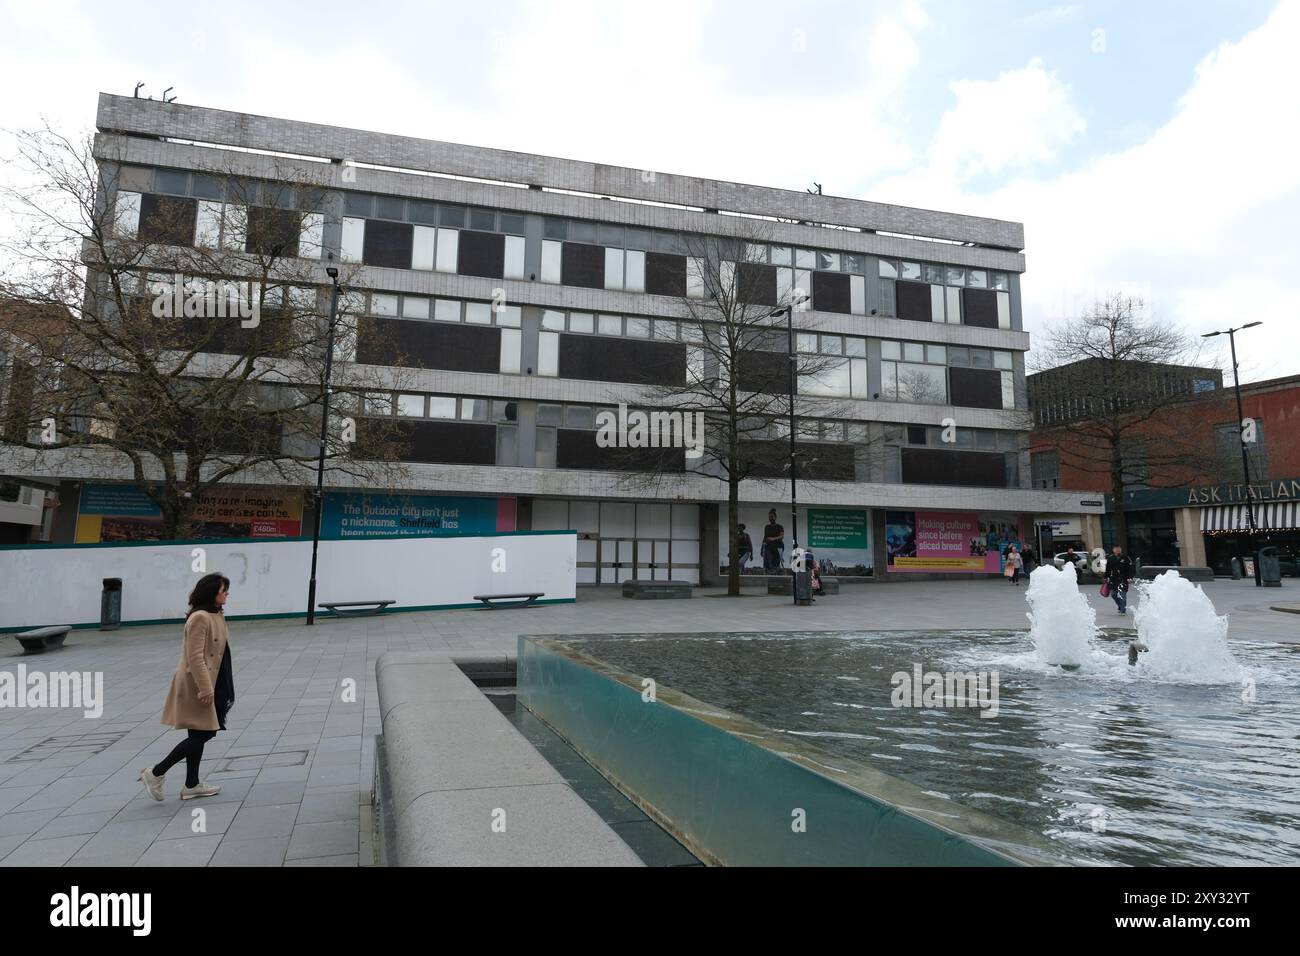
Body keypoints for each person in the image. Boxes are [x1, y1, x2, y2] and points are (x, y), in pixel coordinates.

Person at [139, 572, 235, 801]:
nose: (227, 594)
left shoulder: (215, 615)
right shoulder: (200, 618)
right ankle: (156, 772)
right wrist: (206, 688)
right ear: (213, 593)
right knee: (206, 732)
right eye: (224, 591)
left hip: (213, 679)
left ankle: (191, 784)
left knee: (199, 731)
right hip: (198, 683)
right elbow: (195, 657)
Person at [1105, 545, 1135, 615]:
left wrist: (1130, 577)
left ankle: (1123, 610)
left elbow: (1131, 568)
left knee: (1123, 595)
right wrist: (1106, 577)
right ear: (1113, 550)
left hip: (1123, 579)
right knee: (1113, 594)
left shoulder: (1126, 558)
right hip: (1113, 579)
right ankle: (1120, 605)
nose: (1118, 550)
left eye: (1119, 549)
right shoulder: (1110, 558)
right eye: (1116, 549)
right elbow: (1108, 569)